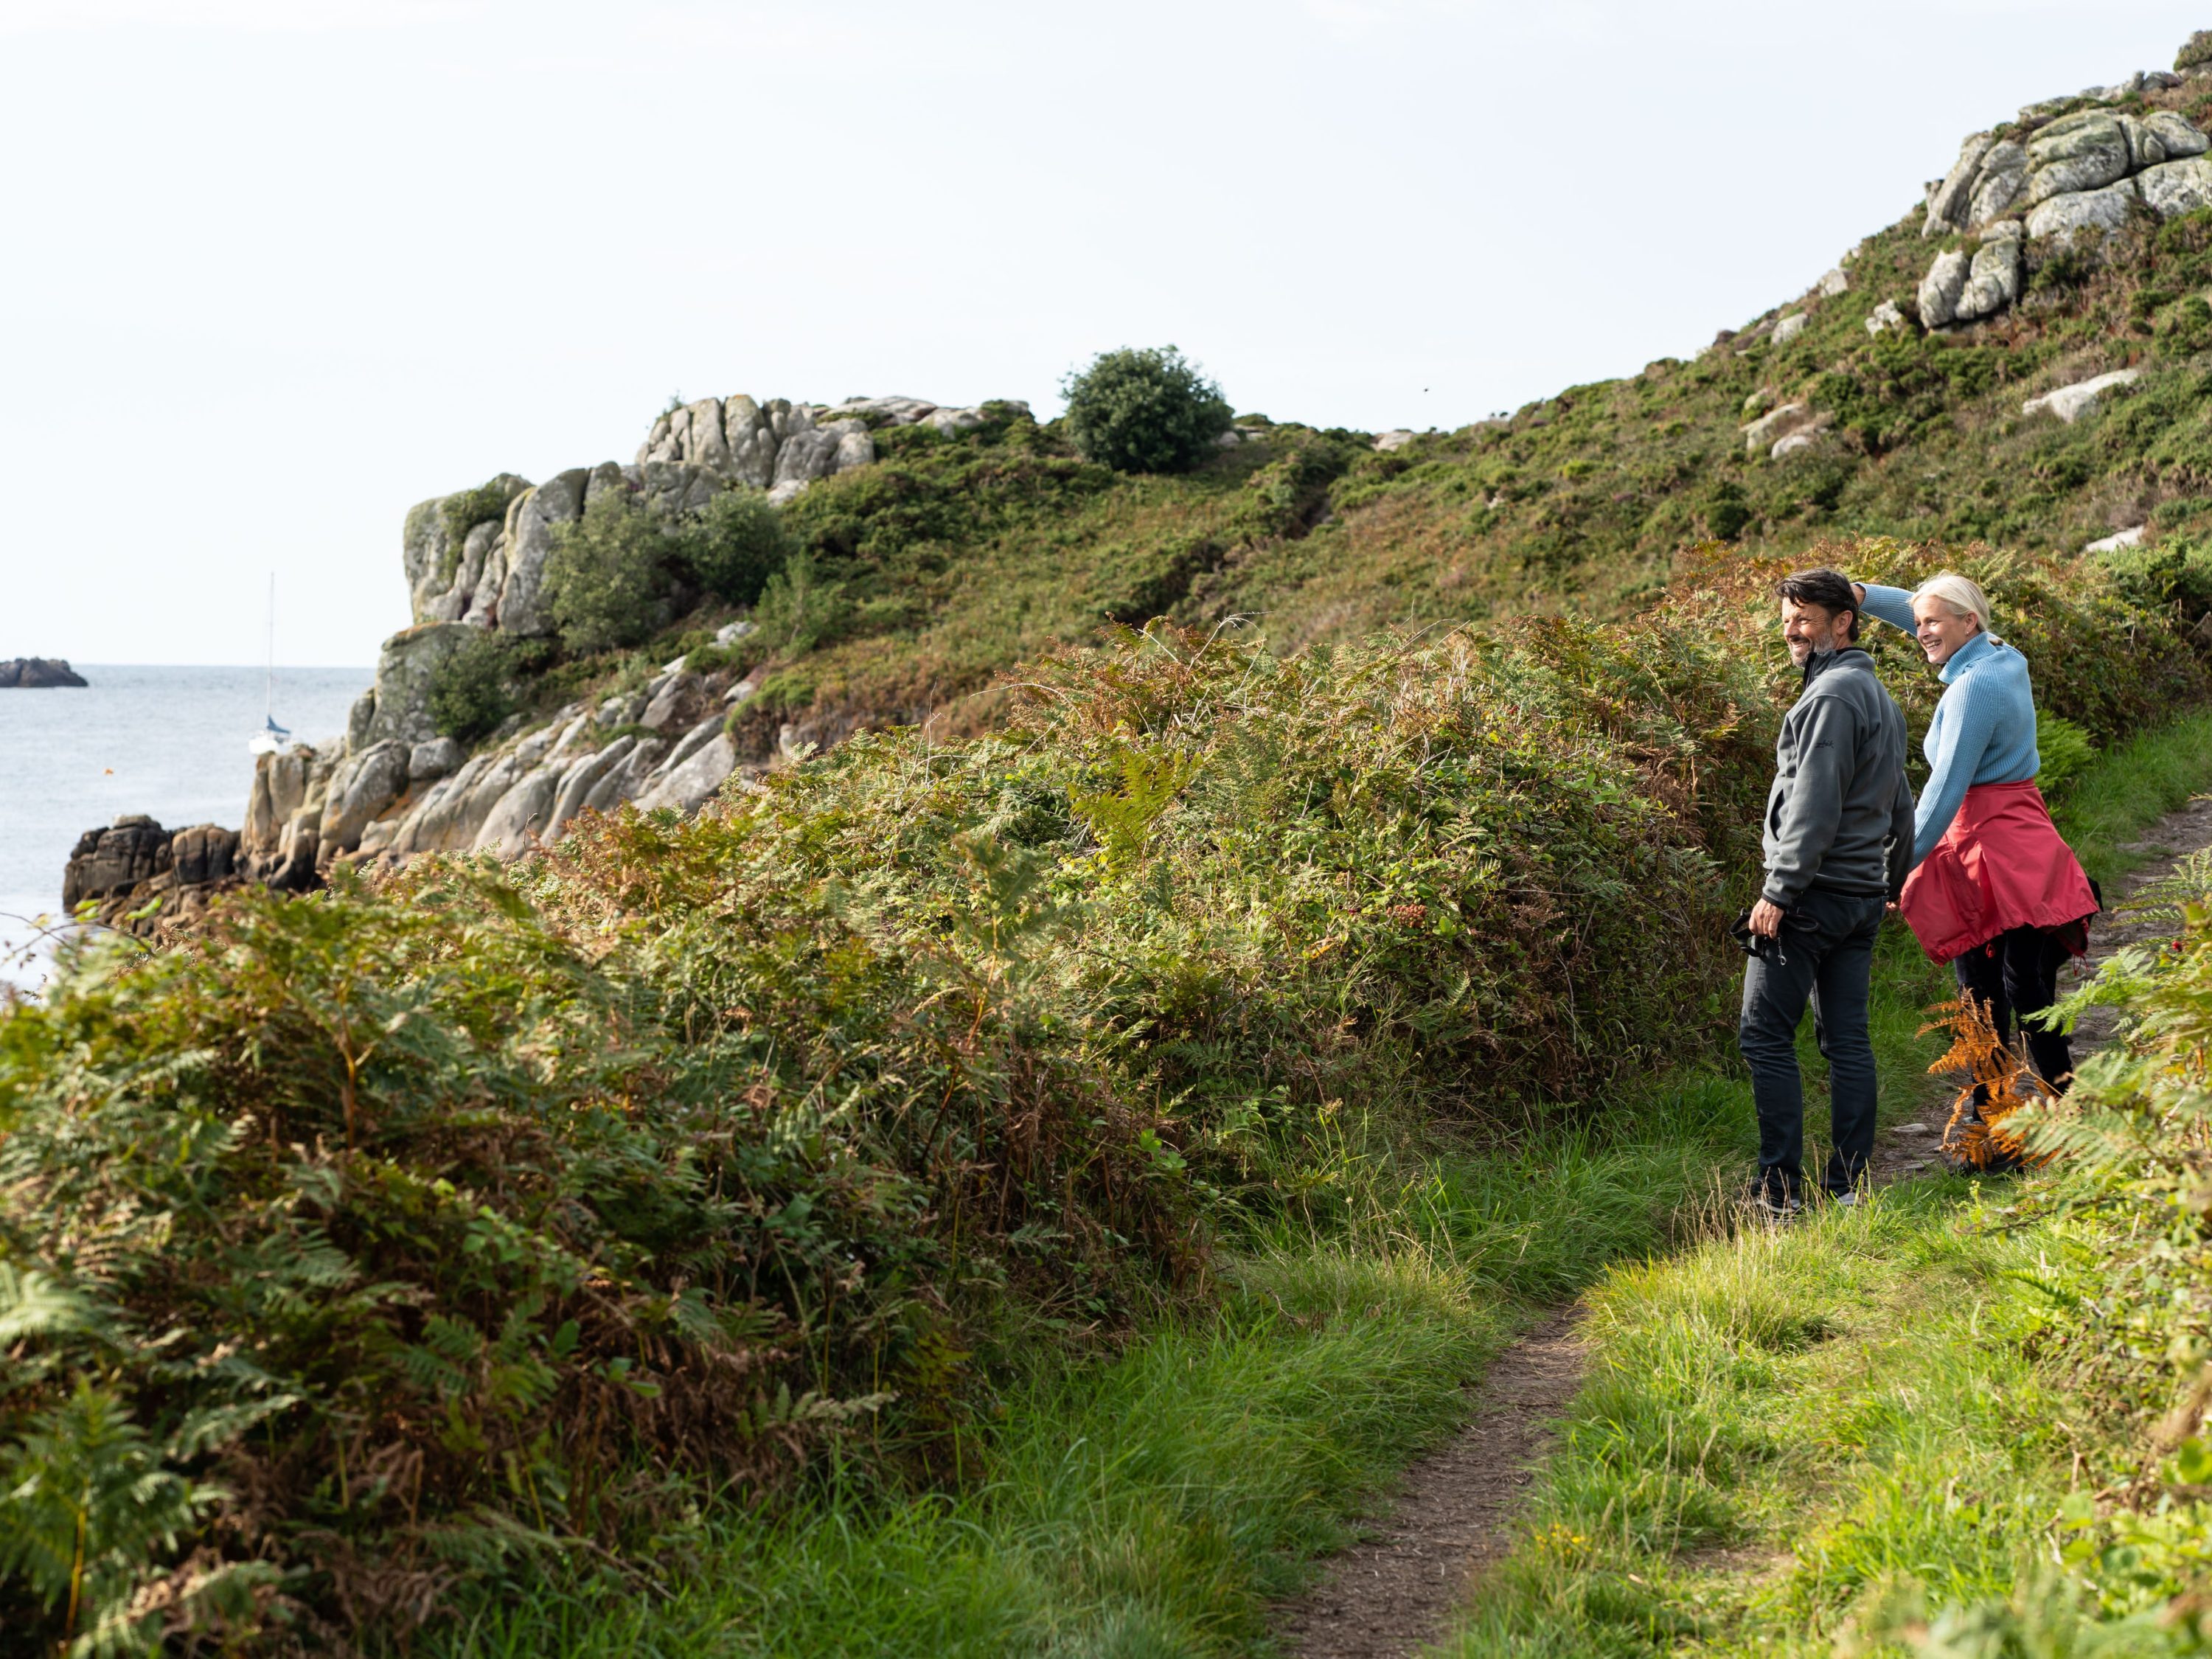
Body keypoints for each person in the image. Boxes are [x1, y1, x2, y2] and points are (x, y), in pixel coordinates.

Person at [1849, 572, 2098, 1091]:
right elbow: (1927, 615)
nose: (1921, 632)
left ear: (1969, 621)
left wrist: (1896, 869)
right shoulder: (2002, 655)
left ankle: (1999, 1119)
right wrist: (1863, 595)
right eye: (1917, 622)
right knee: (2023, 983)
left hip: (1985, 845)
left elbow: (1944, 790)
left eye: (1933, 623)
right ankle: (2060, 1100)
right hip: (2022, 834)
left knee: (1985, 990)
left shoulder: (1973, 688)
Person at [1740, 569, 1917, 1215]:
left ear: (1843, 621)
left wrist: (1779, 892)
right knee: (1847, 1041)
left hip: (1811, 898)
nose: (1792, 629)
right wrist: (1892, 883)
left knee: (1763, 1035)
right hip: (1861, 897)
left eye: (1805, 617)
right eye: (1787, 618)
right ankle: (1846, 1187)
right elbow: (1902, 808)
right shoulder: (1880, 698)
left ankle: (1779, 1192)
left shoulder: (1833, 698)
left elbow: (1813, 806)